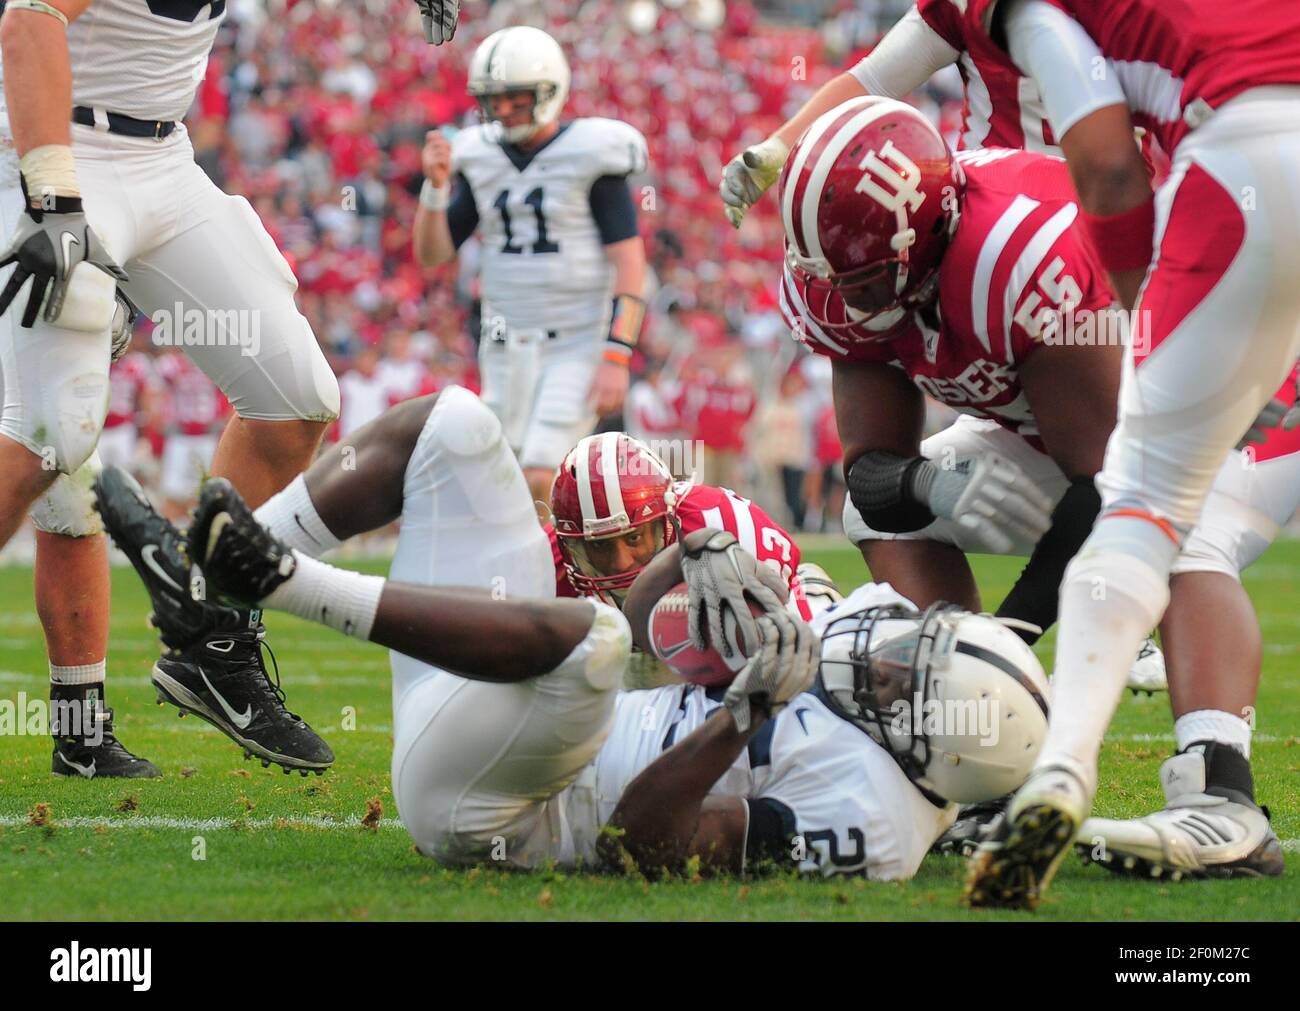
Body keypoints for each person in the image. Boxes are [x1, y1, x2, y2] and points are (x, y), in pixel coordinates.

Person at [94, 385, 1052, 879]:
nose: (886, 660)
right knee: (457, 424)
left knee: (591, 644)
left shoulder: (875, 823)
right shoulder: (878, 650)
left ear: (935, 755)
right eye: (911, 654)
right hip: (491, 712)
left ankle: (281, 579)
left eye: (903, 685)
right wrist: (690, 556)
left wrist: (738, 720)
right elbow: (647, 631)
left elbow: (640, 847)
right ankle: (219, 595)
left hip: (500, 809)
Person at [955, 0, 1300, 909]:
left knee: (1146, 504)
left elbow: (1107, 169)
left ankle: (1063, 768)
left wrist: (1158, 322)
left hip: (1250, 152)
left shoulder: (1027, 11)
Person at [0, 0, 342, 774]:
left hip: (164, 162)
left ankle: (208, 636)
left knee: (296, 399)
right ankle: (81, 726)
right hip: (57, 146)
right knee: (49, 438)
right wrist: (53, 198)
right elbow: (29, 19)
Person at [413, 26, 649, 510]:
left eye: (514, 98)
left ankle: (546, 576)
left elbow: (630, 263)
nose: (501, 111)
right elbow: (433, 254)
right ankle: (521, 573)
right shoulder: (478, 155)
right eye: (493, 100)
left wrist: (617, 353)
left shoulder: (591, 152)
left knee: (543, 470)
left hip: (577, 337)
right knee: (502, 469)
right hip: (504, 339)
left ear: (548, 91)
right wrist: (435, 189)